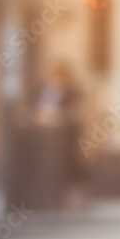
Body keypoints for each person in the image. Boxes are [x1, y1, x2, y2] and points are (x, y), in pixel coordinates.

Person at [34, 63, 86, 207]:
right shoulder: (44, 91)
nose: (57, 81)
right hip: (46, 135)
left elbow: (76, 114)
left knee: (69, 164)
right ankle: (51, 195)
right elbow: (39, 109)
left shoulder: (72, 92)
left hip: (67, 135)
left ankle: (69, 196)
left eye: (60, 78)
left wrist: (59, 116)